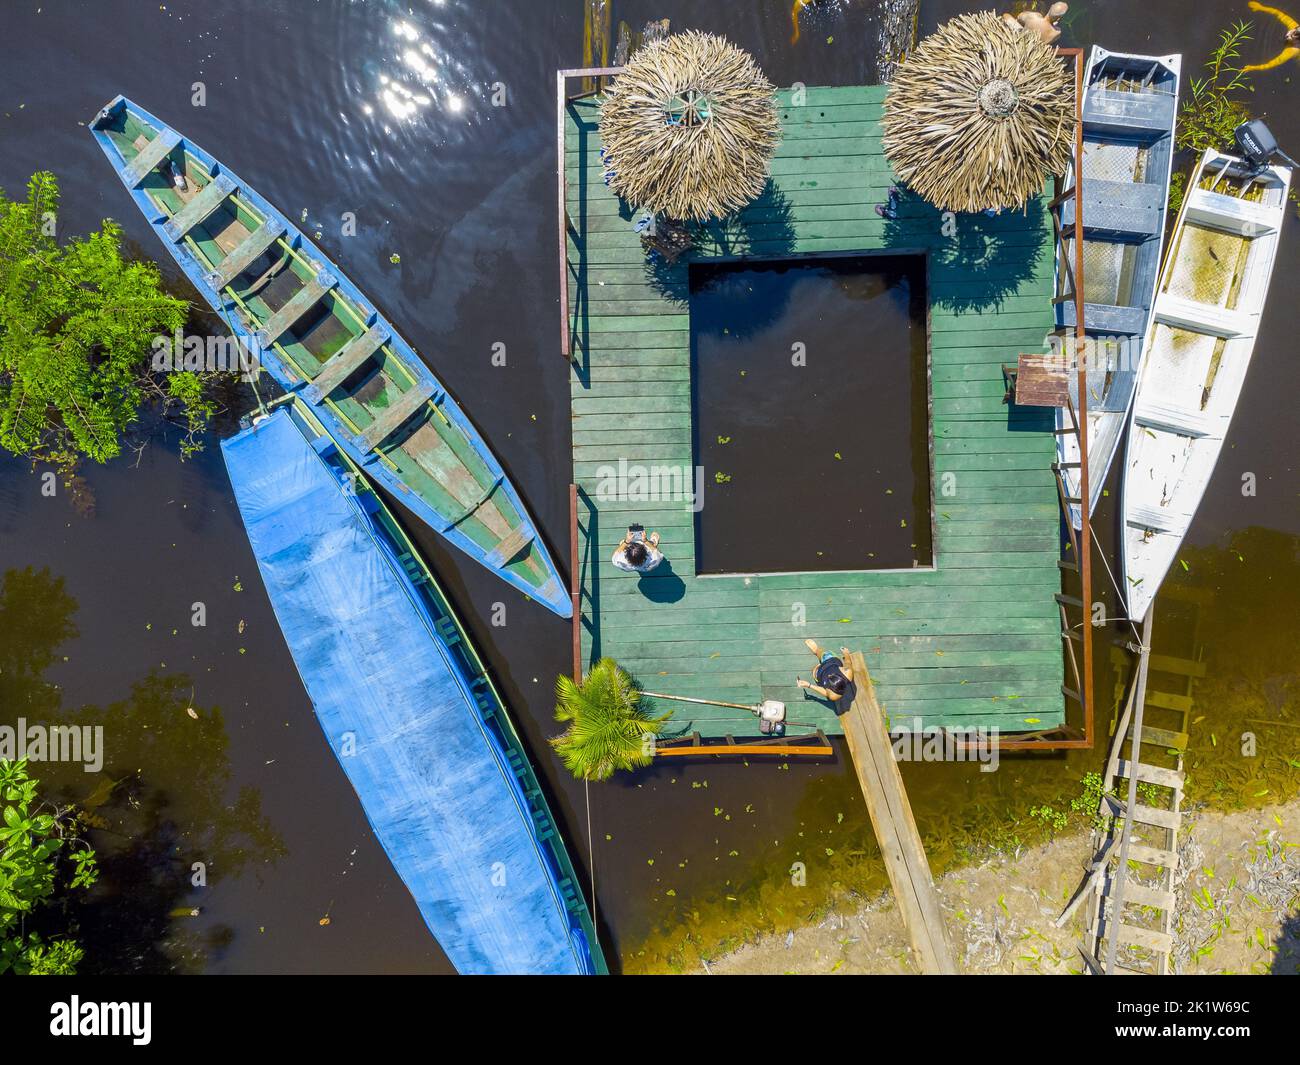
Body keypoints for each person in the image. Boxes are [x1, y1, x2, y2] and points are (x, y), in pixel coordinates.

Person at [795, 639, 855, 703]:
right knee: (822, 652)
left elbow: (826, 693)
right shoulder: (848, 673)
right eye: (832, 675)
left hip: (820, 673)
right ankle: (817, 651)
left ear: (832, 689)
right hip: (831, 661)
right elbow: (848, 663)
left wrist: (809, 685)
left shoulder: (833, 696)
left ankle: (818, 657)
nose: (828, 675)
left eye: (829, 679)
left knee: (813, 670)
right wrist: (846, 653)